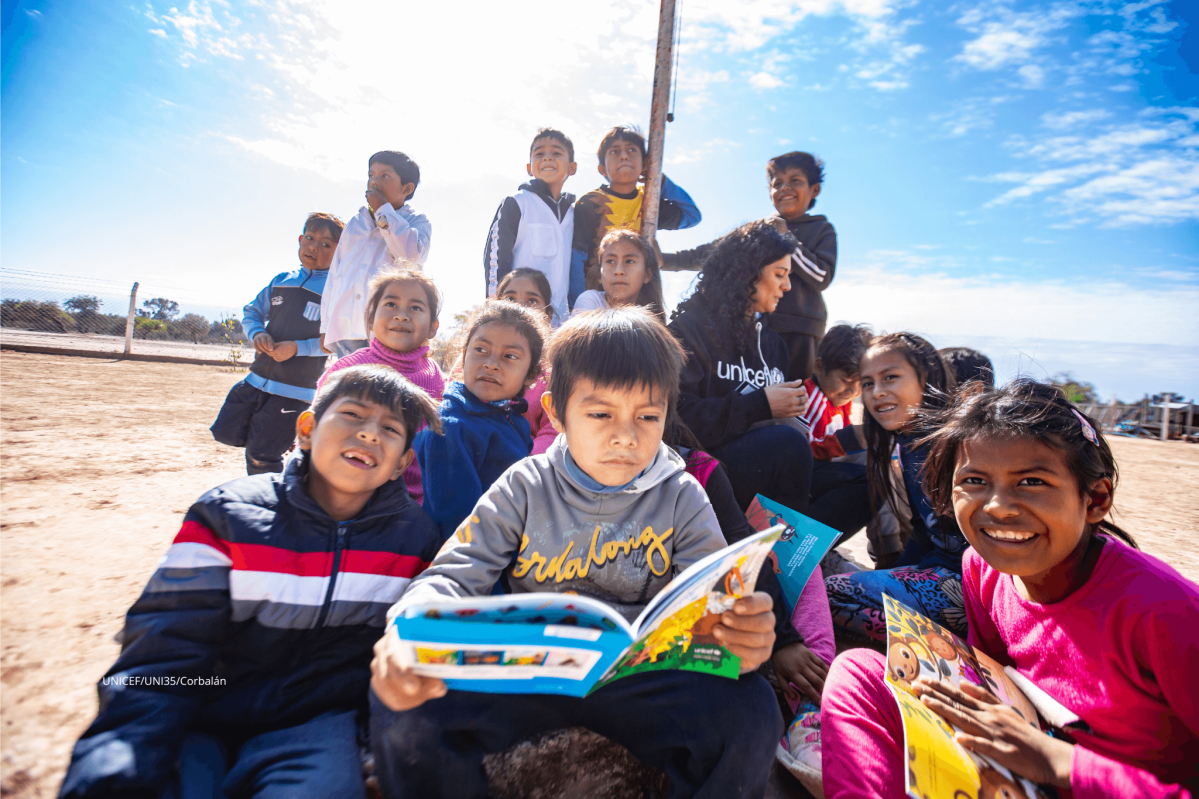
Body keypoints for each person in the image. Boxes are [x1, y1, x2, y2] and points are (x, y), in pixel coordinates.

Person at [369, 308, 782, 799]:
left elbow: (713, 604)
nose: (626, 435)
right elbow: (454, 573)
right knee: (403, 698)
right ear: (558, 412)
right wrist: (407, 628)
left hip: (639, 683)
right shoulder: (524, 484)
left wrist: (743, 634)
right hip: (524, 675)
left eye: (647, 416)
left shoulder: (682, 496)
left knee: (754, 709)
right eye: (601, 413)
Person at [58, 366, 444, 799]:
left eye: (390, 428)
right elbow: (162, 650)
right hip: (201, 710)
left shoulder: (415, 543)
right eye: (353, 414)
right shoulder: (227, 516)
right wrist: (117, 759)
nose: (370, 434)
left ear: (403, 464)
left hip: (316, 727)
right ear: (307, 429)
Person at [821, 379, 1199, 798]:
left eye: (1032, 482)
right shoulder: (982, 570)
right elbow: (995, 679)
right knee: (860, 673)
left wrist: (1061, 762)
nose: (997, 506)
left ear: (1095, 499)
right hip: (1023, 770)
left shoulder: (1167, 613)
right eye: (975, 481)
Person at [824, 332, 966, 643]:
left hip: (973, 586)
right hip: (942, 573)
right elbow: (924, 530)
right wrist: (897, 574)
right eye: (869, 383)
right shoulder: (906, 443)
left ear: (924, 376)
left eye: (890, 377)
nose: (877, 392)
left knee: (830, 594)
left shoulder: (954, 442)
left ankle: (950, 643)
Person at [668, 221, 813, 515]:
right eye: (780, 274)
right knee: (788, 444)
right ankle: (780, 556)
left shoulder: (774, 345)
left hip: (765, 469)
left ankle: (810, 550)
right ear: (749, 272)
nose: (786, 285)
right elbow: (678, 419)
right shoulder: (689, 330)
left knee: (856, 479)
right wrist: (760, 405)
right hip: (702, 470)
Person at [663, 151, 835, 382]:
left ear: (814, 189)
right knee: (754, 385)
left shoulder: (822, 228)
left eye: (795, 181)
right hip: (758, 326)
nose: (785, 188)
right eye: (778, 183)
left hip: (802, 331)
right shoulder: (761, 229)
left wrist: (787, 240)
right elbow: (717, 252)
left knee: (795, 391)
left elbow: (821, 276)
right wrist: (666, 261)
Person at [210, 212, 344, 475]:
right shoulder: (282, 280)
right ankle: (291, 463)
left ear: (340, 252)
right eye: (310, 238)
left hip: (294, 391)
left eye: (327, 244)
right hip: (255, 379)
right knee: (227, 432)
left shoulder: (335, 291)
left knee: (263, 455)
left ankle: (272, 503)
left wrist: (298, 347)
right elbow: (252, 312)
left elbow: (336, 340)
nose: (315, 247)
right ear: (299, 240)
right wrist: (257, 332)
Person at [415, 300, 550, 539]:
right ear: (464, 355)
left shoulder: (512, 418)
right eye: (481, 350)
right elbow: (458, 527)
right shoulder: (450, 427)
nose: (490, 364)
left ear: (531, 374)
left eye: (510, 356)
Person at [319, 264, 446, 505]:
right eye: (390, 304)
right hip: (342, 492)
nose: (401, 315)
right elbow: (316, 426)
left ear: (433, 327)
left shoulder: (436, 377)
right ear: (370, 318)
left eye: (416, 307)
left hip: (408, 503)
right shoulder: (348, 369)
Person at [569, 125, 700, 309]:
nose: (624, 156)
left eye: (632, 150)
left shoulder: (649, 202)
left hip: (640, 297)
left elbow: (692, 215)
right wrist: (577, 304)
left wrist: (661, 182)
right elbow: (577, 257)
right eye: (614, 152)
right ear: (602, 169)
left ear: (645, 164)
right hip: (598, 297)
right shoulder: (592, 202)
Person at [322, 150, 431, 357]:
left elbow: (410, 256)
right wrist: (325, 325)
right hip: (345, 327)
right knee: (348, 384)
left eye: (385, 176)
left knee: (379, 384)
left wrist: (383, 211)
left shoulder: (417, 221)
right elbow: (335, 273)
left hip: (385, 329)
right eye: (371, 175)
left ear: (407, 188)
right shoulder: (356, 222)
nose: (374, 182)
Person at [484, 128, 577, 326]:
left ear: (572, 167)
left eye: (557, 153)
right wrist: (496, 311)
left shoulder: (575, 214)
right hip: (519, 317)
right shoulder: (517, 203)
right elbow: (495, 259)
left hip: (562, 322)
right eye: (539, 153)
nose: (547, 158)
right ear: (529, 167)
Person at [496, 268, 560, 455]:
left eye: (532, 300)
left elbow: (552, 430)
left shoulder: (556, 367)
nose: (519, 308)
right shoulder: (475, 355)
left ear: (547, 315)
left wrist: (523, 472)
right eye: (510, 299)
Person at [571, 228, 665, 320]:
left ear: (647, 274)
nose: (618, 270)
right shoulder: (590, 301)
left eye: (629, 261)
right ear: (600, 271)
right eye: (610, 261)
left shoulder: (650, 320)